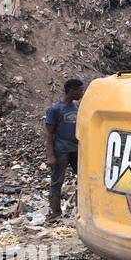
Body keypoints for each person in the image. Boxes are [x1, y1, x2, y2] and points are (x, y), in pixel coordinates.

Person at [46, 77, 85, 219]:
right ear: (71, 91)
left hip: (75, 150)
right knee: (57, 182)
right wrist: (50, 155)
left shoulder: (77, 107)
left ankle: (81, 209)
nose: (82, 93)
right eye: (80, 90)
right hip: (61, 150)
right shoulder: (55, 109)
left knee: (83, 180)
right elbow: (49, 134)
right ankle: (55, 213)